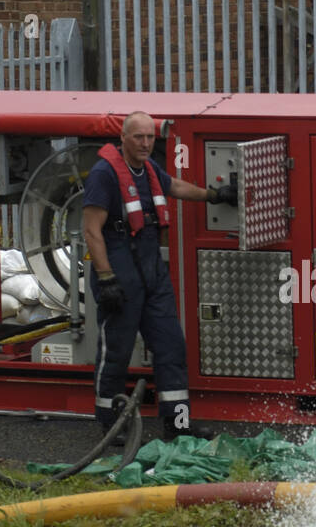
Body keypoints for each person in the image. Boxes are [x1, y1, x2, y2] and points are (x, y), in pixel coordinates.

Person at [82, 111, 235, 441]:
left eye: (150, 137)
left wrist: (214, 195)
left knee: (172, 349)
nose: (146, 143)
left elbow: (174, 186)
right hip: (120, 279)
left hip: (152, 277)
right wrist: (106, 277)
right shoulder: (104, 174)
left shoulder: (148, 170)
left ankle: (178, 424)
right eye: (138, 137)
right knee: (116, 354)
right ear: (123, 138)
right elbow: (92, 230)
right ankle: (110, 425)